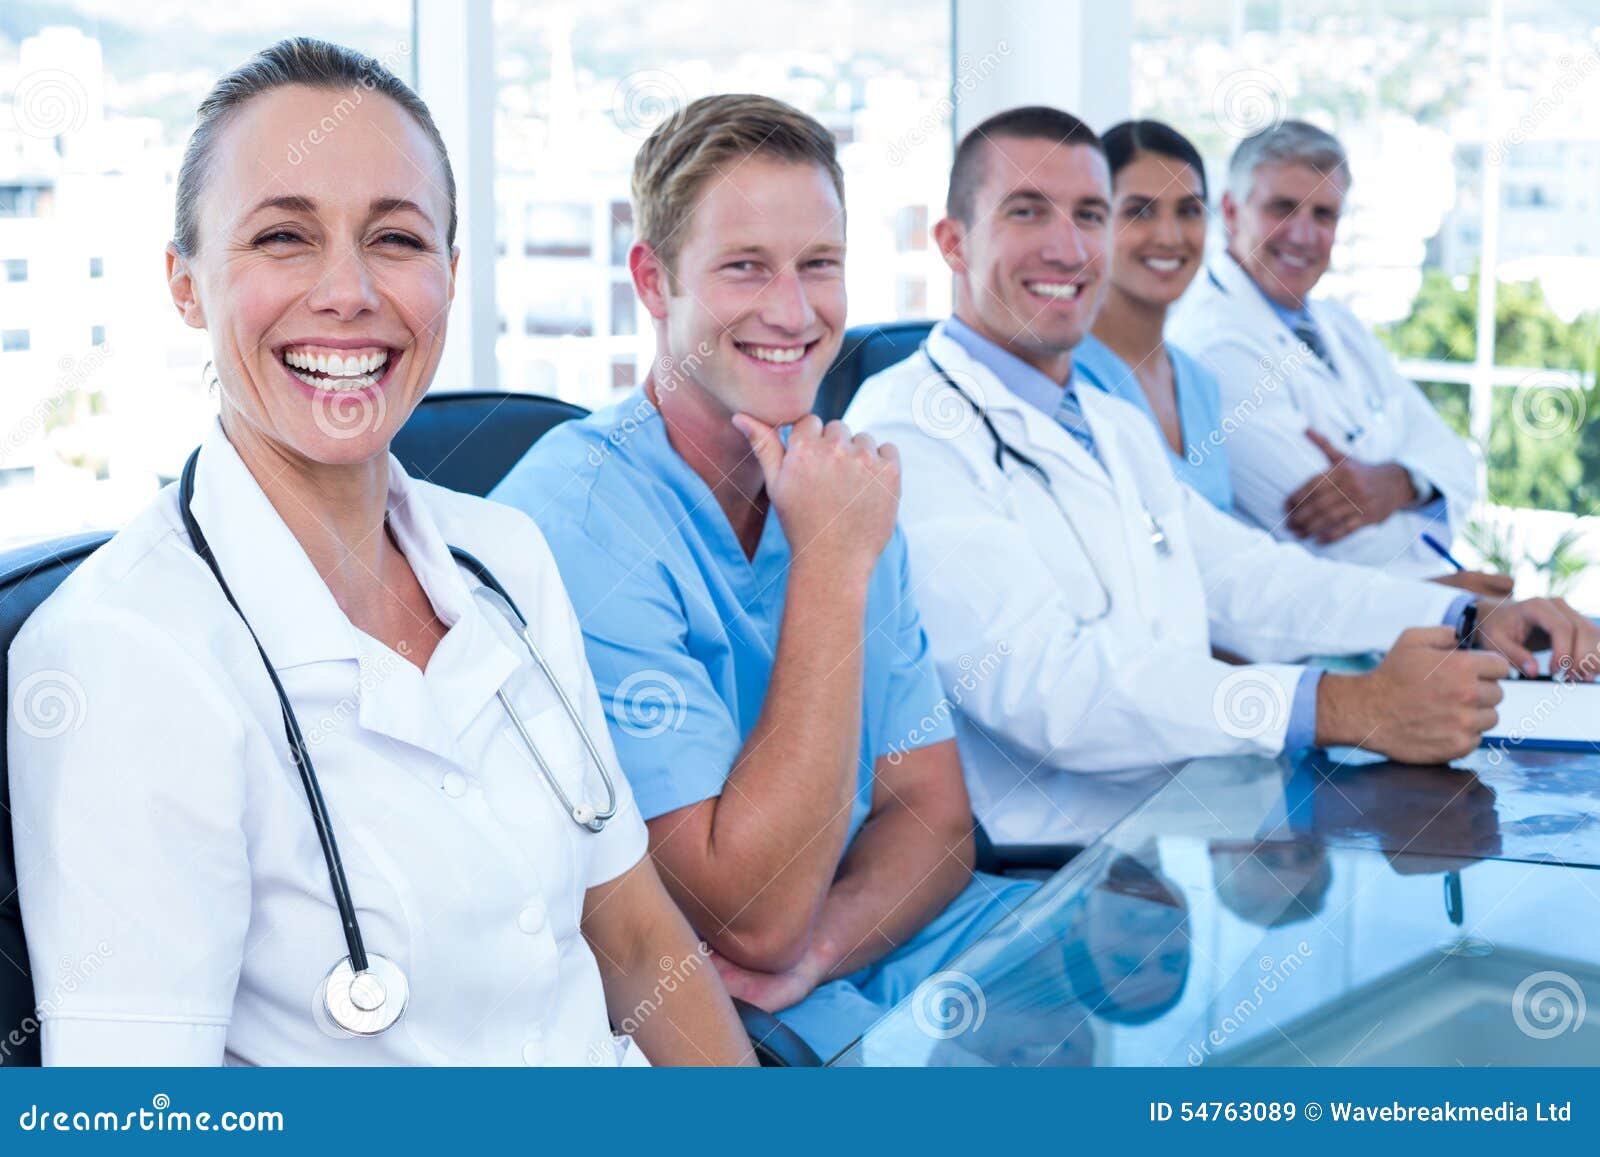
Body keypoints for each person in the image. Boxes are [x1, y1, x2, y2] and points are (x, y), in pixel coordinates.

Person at [6, 39, 750, 1068]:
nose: (348, 290)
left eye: (396, 239)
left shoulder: (506, 556)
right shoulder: (120, 656)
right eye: (283, 236)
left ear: (449, 275)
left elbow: (632, 935)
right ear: (185, 284)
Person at [844, 105, 1600, 849]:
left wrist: (1465, 617)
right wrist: (1346, 706)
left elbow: (1250, 579)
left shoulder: (1108, 421)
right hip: (1042, 869)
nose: (1068, 247)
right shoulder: (908, 427)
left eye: (1090, 215)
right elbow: (1047, 691)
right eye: (1027, 211)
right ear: (952, 242)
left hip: (1177, 829)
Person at [491, 94, 1037, 1062]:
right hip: (738, 1021)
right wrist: (829, 563)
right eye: (744, 266)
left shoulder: (838, 483)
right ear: (653, 282)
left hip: (884, 960)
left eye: (818, 264)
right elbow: (752, 914)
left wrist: (823, 947)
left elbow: (937, 818)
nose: (793, 311)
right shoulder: (576, 518)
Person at [1168, 120, 1505, 592]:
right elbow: (1334, 539)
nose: (1304, 235)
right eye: (1283, 208)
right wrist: (1448, 585)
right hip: (1345, 615)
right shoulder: (1213, 346)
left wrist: (1400, 483)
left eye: (1324, 215)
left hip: (1422, 594)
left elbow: (1460, 464)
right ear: (1230, 210)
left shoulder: (1339, 325)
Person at [1071, 120, 1233, 512]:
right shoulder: (1067, 379)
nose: (1169, 236)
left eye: (1189, 211)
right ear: (1093, 221)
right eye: (1140, 211)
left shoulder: (1199, 382)